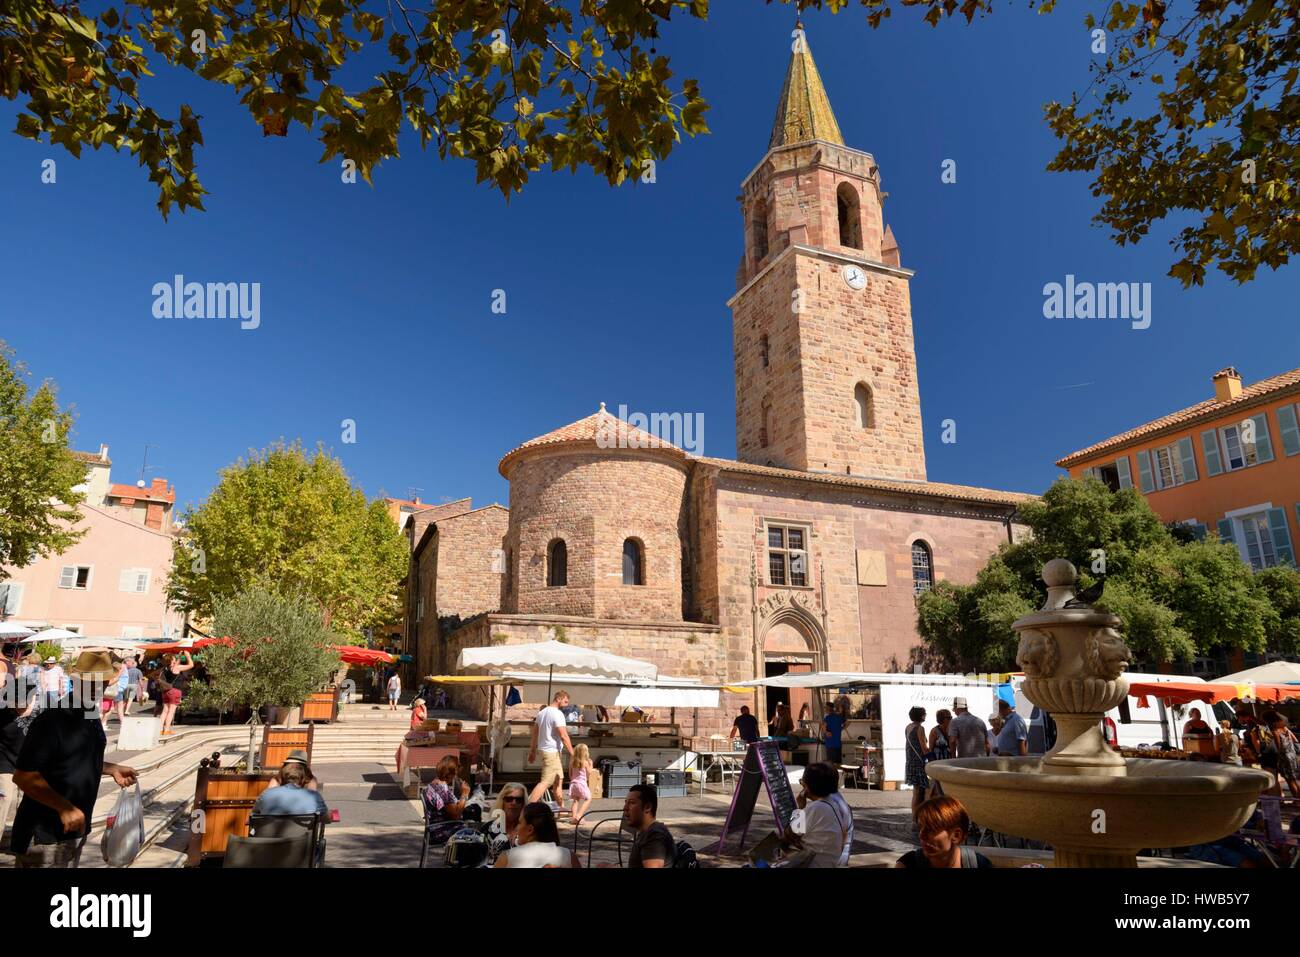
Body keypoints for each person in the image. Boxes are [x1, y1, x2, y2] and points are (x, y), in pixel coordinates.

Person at [11, 650, 138, 867]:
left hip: (75, 828)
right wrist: (64, 808)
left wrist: (110, 768)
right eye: (90, 681)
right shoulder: (53, 720)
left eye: (102, 681)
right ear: (75, 680)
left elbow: (74, 759)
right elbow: (24, 776)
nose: (97, 686)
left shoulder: (90, 713)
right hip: (45, 833)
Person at [784, 762, 853, 867]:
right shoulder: (832, 803)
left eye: (802, 783)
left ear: (808, 787)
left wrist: (800, 808)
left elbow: (789, 834)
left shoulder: (816, 808)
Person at [895, 796, 992, 869]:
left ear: (956, 835)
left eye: (931, 829)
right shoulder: (908, 863)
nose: (921, 835)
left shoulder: (979, 864)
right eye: (920, 827)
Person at [493, 801, 579, 868]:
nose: (517, 828)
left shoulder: (508, 857)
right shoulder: (569, 856)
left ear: (530, 829)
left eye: (519, 823)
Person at [527, 690, 574, 806]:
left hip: (547, 751)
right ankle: (527, 810)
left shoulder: (542, 713)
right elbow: (563, 735)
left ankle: (561, 810)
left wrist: (532, 751)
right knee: (546, 782)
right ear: (558, 699)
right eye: (565, 701)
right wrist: (573, 753)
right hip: (552, 752)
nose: (567, 704)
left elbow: (534, 734)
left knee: (558, 781)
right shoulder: (557, 714)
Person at [254, 751, 329, 817]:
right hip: (302, 831)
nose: (293, 768)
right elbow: (319, 813)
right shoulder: (313, 794)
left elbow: (257, 811)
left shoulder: (268, 792)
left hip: (270, 832)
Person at [623, 784, 674, 868]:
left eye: (632, 803)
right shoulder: (646, 833)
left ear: (647, 807)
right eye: (626, 803)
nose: (625, 808)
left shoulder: (654, 837)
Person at [423, 755, 470, 844]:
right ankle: (457, 857)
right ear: (452, 773)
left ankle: (457, 856)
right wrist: (464, 794)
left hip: (434, 828)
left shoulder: (433, 784)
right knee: (474, 836)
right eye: (456, 773)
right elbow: (455, 815)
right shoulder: (442, 788)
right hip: (440, 830)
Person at [904, 706, 929, 826]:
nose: (926, 715)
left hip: (910, 762)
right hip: (918, 763)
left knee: (916, 792)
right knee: (920, 792)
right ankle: (917, 819)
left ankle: (915, 818)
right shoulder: (920, 728)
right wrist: (932, 758)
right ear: (920, 715)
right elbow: (924, 748)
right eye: (924, 713)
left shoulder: (908, 727)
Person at [1264, 712, 1300, 798]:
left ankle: (1297, 800)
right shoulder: (1286, 729)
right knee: (1294, 779)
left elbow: (1279, 747)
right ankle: (1299, 798)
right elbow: (1295, 741)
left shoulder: (1275, 731)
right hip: (1292, 755)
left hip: (1285, 757)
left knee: (1290, 780)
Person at [159, 650, 194, 736]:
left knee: (165, 711)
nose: (175, 660)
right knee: (171, 711)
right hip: (175, 691)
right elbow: (191, 665)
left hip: (166, 691)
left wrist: (179, 656)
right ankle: (167, 729)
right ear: (171, 660)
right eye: (173, 659)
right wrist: (188, 656)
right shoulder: (176, 668)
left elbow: (176, 663)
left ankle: (159, 729)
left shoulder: (165, 669)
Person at [491, 782, 528, 850]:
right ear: (502, 801)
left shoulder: (529, 830)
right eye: (509, 799)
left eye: (518, 800)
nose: (514, 803)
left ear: (523, 803)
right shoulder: (489, 829)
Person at [568, 743, 594, 821]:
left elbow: (570, 774)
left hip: (573, 784)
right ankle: (579, 816)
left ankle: (574, 817)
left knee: (575, 801)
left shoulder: (572, 763)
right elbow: (589, 773)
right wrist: (591, 765)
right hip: (582, 784)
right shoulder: (586, 762)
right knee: (588, 799)